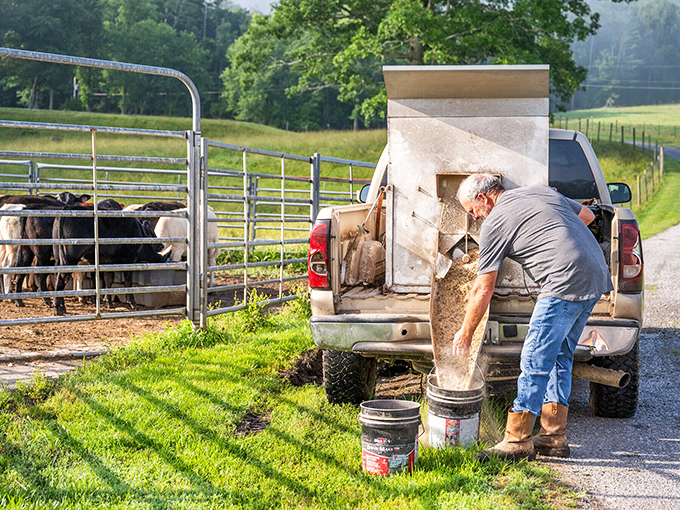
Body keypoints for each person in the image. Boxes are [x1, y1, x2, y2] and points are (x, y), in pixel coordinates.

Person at [453, 173, 613, 461]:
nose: (474, 217)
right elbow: (587, 216)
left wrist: (465, 333)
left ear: (484, 198)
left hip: (564, 282)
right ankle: (553, 436)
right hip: (595, 275)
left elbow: (483, 289)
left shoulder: (494, 223)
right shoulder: (540, 192)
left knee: (534, 358)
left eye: (472, 210)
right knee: (560, 355)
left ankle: (517, 441)